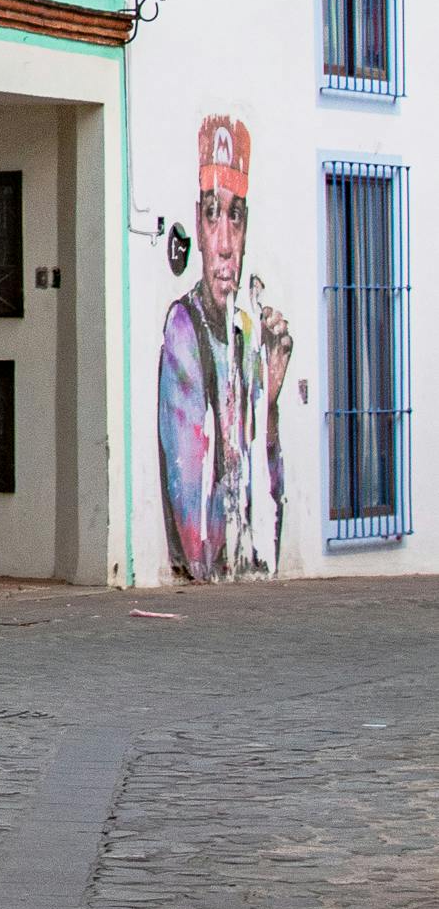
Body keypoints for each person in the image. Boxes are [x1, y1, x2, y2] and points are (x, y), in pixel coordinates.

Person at [157, 115, 291, 580]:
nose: (226, 245)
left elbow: (270, 538)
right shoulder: (183, 330)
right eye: (213, 213)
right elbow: (201, 550)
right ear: (197, 222)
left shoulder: (246, 333)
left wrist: (268, 403)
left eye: (235, 216)